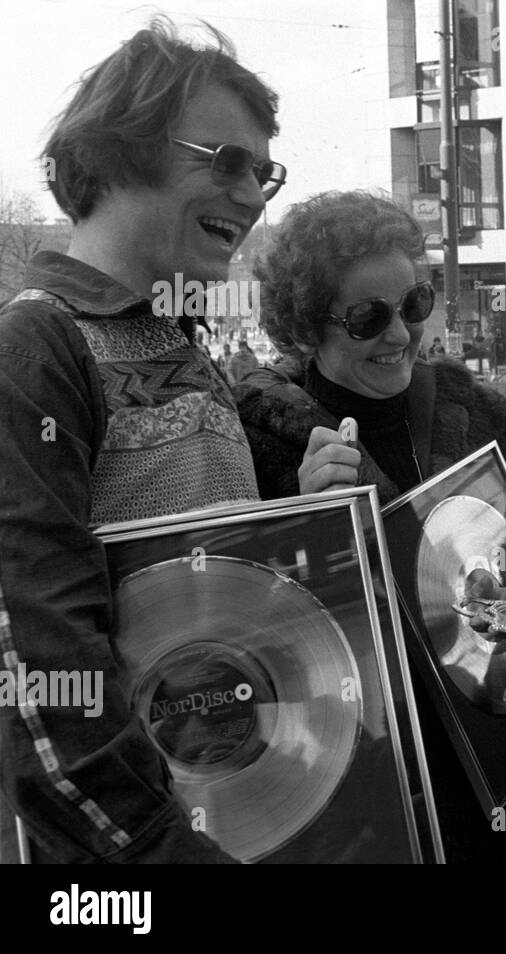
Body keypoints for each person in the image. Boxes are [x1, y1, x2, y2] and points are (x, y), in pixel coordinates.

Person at [235, 190, 506, 862]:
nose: (401, 333)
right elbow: (261, 656)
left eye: (415, 302)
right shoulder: (269, 440)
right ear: (305, 325)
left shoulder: (471, 409)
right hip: (384, 812)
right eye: (367, 317)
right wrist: (306, 524)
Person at [0, 20, 282, 863]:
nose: (253, 193)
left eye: (263, 172)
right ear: (119, 151)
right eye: (225, 161)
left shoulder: (186, 335)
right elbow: (39, 661)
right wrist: (161, 849)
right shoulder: (33, 351)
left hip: (238, 797)